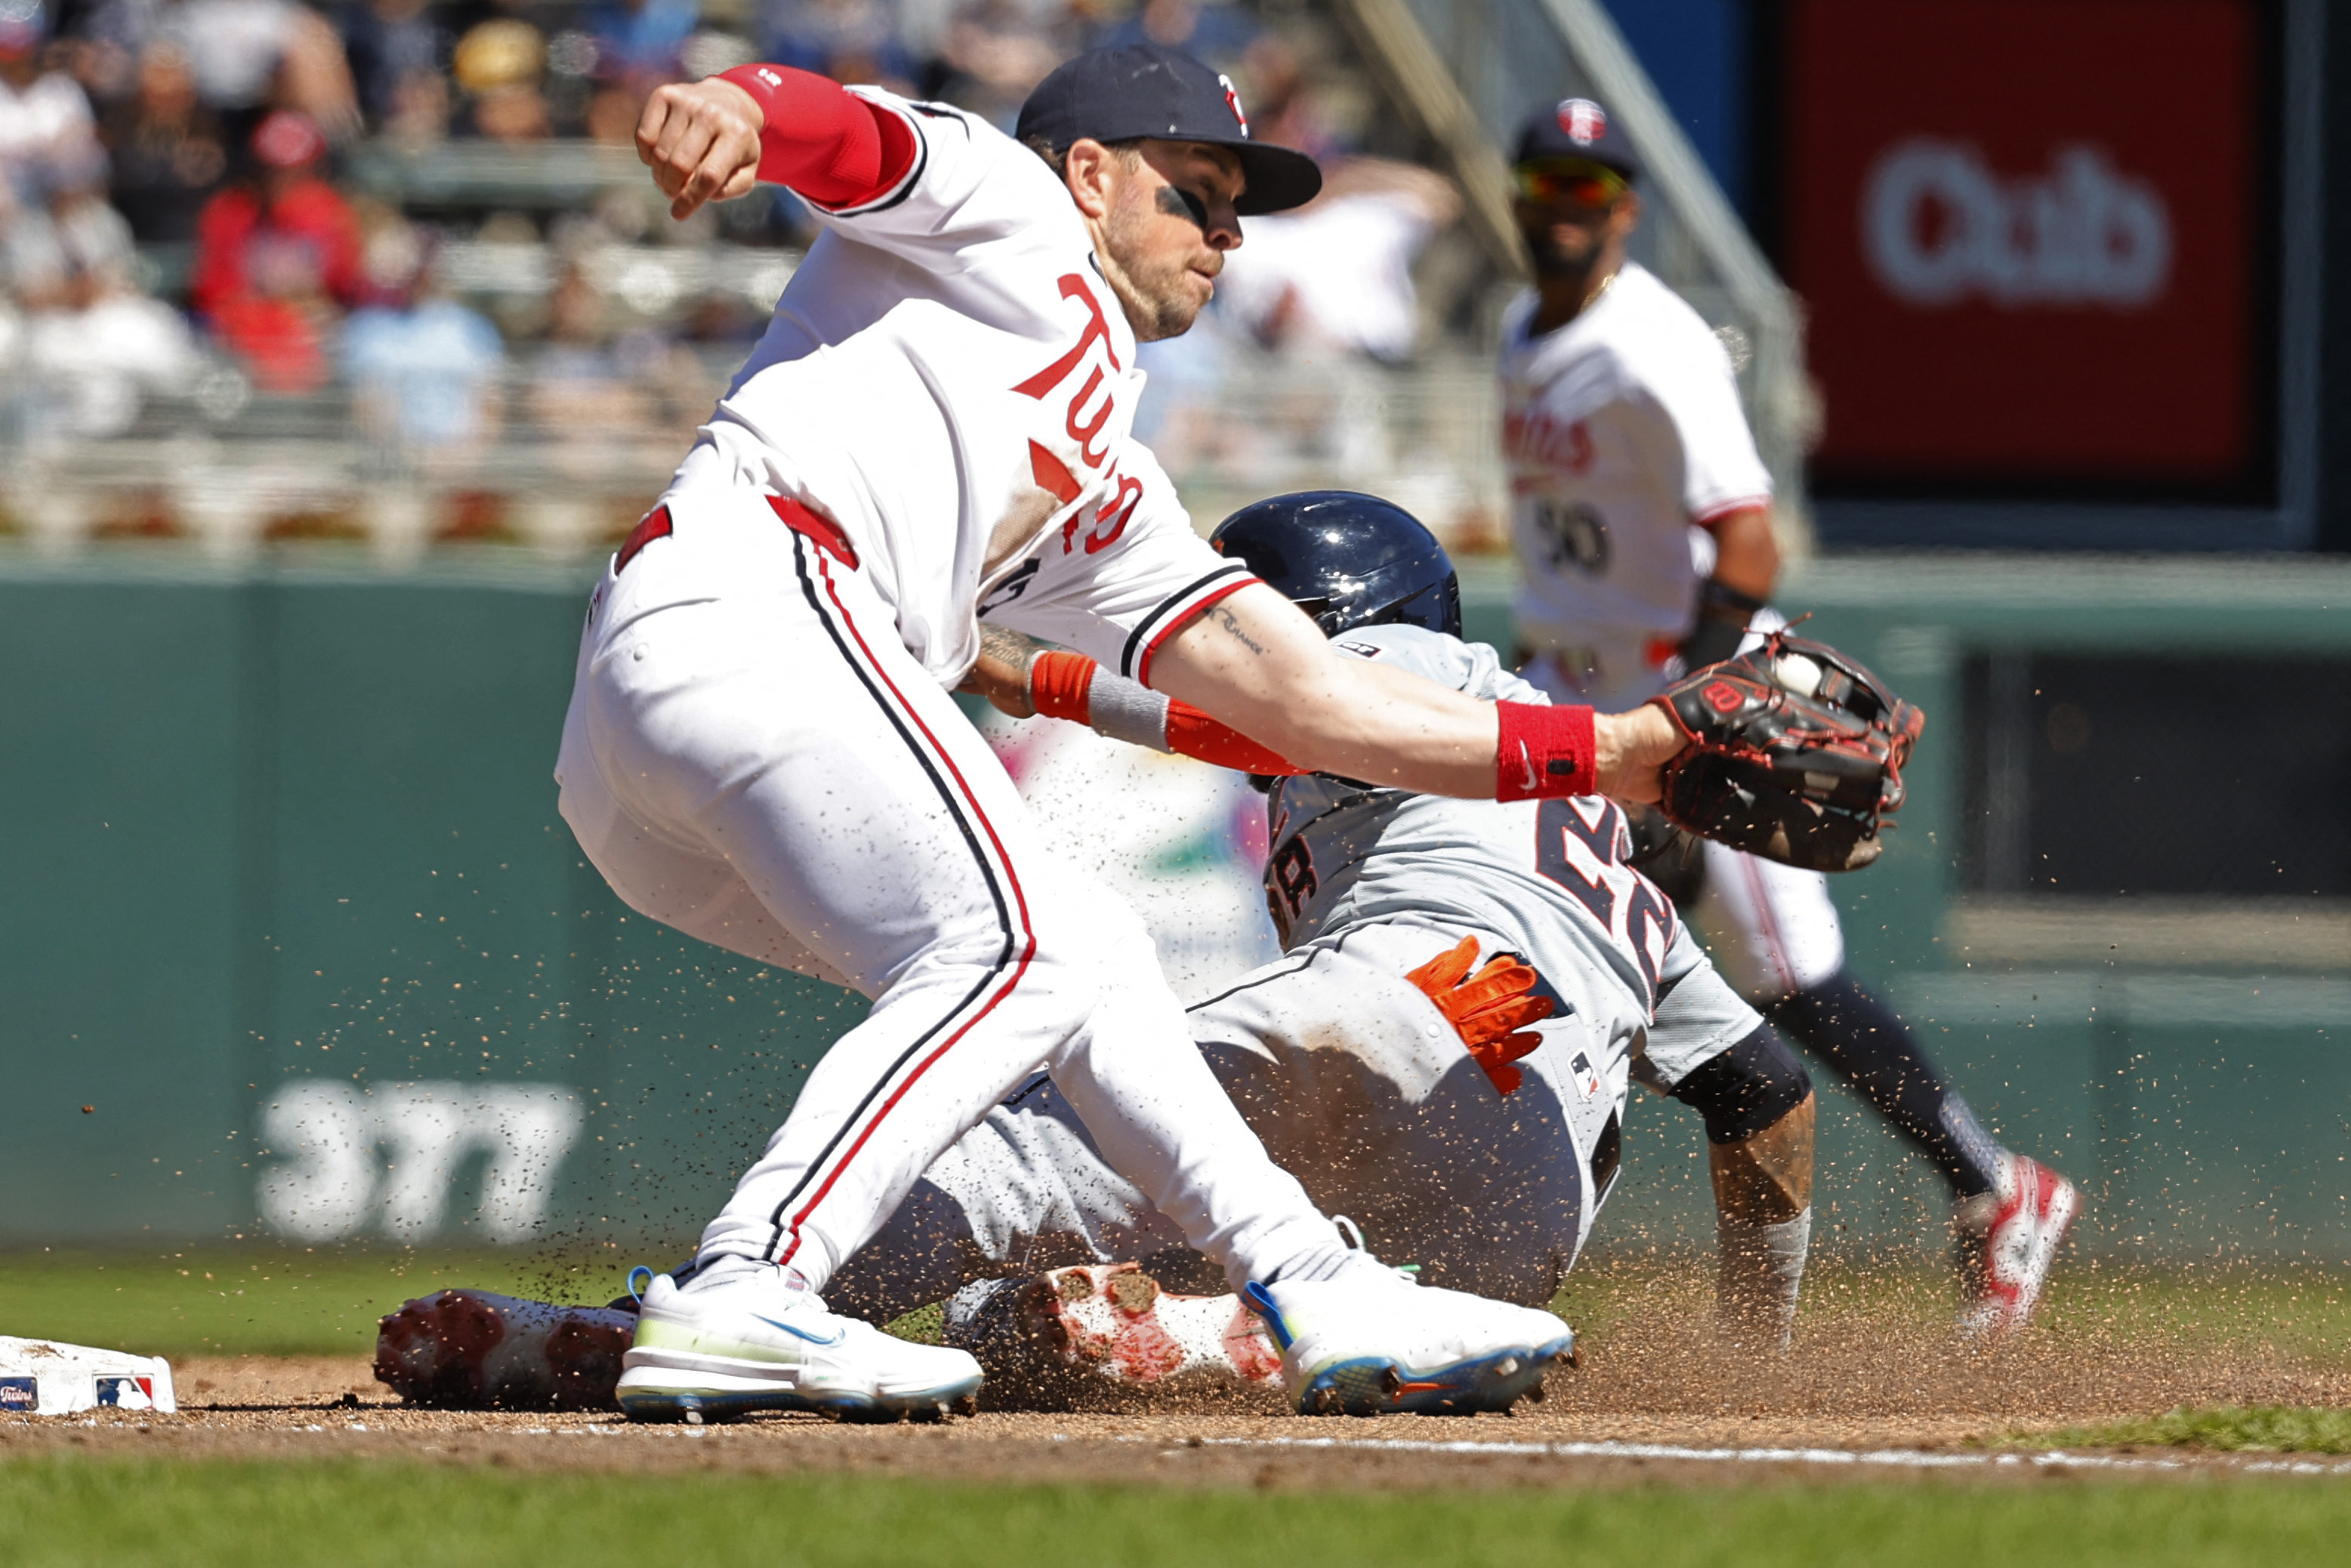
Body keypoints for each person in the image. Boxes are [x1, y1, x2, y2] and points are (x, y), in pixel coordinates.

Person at [554, 44, 1687, 1422]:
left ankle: (1311, 1280)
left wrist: (1622, 748)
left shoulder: (1102, 475)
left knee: (1086, 964)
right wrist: (739, 101)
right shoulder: (1017, 211)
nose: (1223, 234)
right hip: (760, 600)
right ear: (1092, 176)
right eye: (1194, 193)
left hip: (667, 730)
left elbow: (1311, 703)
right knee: (1020, 949)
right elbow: (846, 136)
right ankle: (752, 1283)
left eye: (1235, 209)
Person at [819, 490, 1822, 1406]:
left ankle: (736, 1293)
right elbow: (1766, 1096)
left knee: (991, 1157)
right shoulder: (1597, 854)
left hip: (1413, 988)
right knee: (1015, 1319)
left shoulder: (1404, 664)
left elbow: (1283, 719)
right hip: (1530, 1187)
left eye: (1232, 620)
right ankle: (1212, 1332)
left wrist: (1024, 673)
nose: (1209, 644)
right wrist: (1750, 1362)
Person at [1498, 96, 2075, 1333]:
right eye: (1547, 185)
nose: (1565, 210)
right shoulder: (1517, 327)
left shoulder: (1653, 341)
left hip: (1686, 698)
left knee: (1784, 973)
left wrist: (1691, 710)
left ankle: (1994, 1184)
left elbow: (1747, 545)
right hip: (1579, 684)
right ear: (1516, 196)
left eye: (1588, 190)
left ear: (1624, 209)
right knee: (1564, 939)